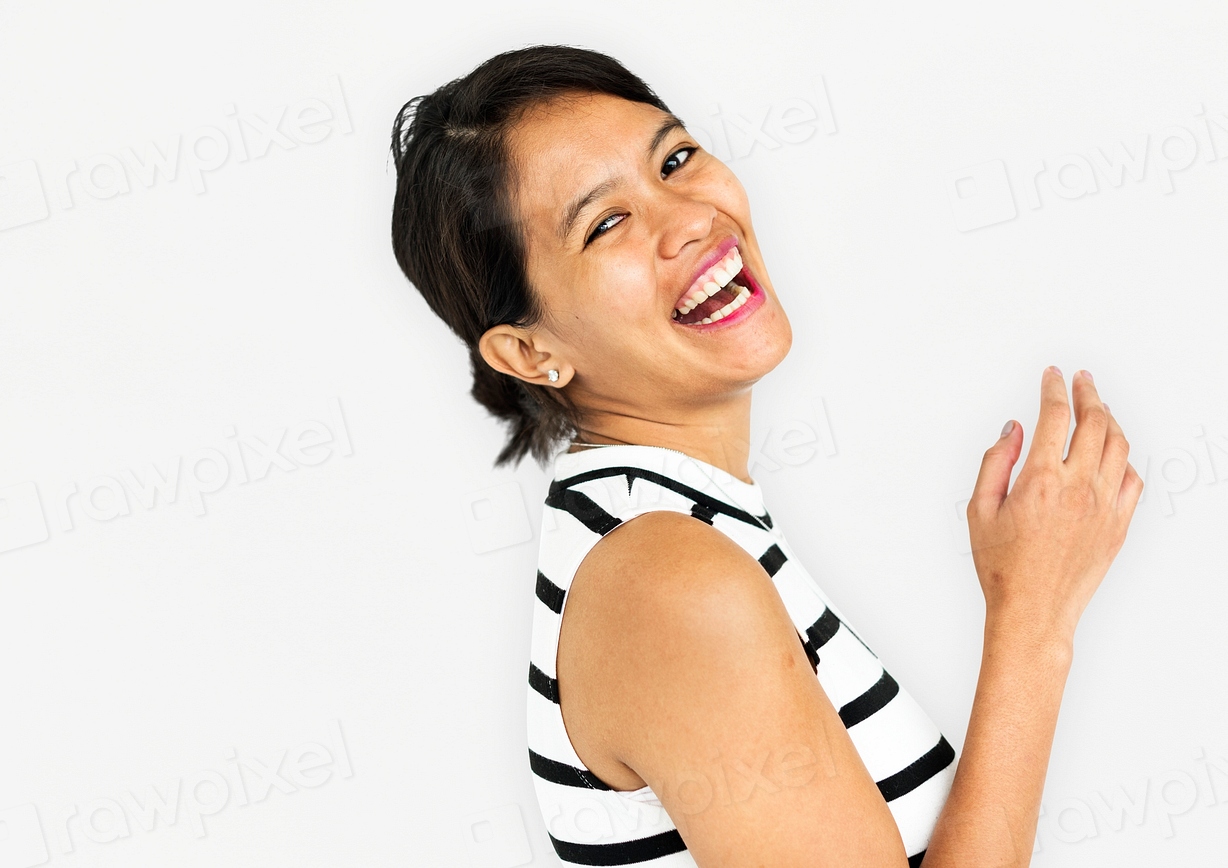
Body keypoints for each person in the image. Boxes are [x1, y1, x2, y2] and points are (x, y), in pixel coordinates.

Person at [388, 44, 1143, 868]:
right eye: (606, 223)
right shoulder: (668, 579)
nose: (689, 219)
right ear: (530, 355)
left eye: (675, 159)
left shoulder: (666, 531)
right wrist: (1034, 618)